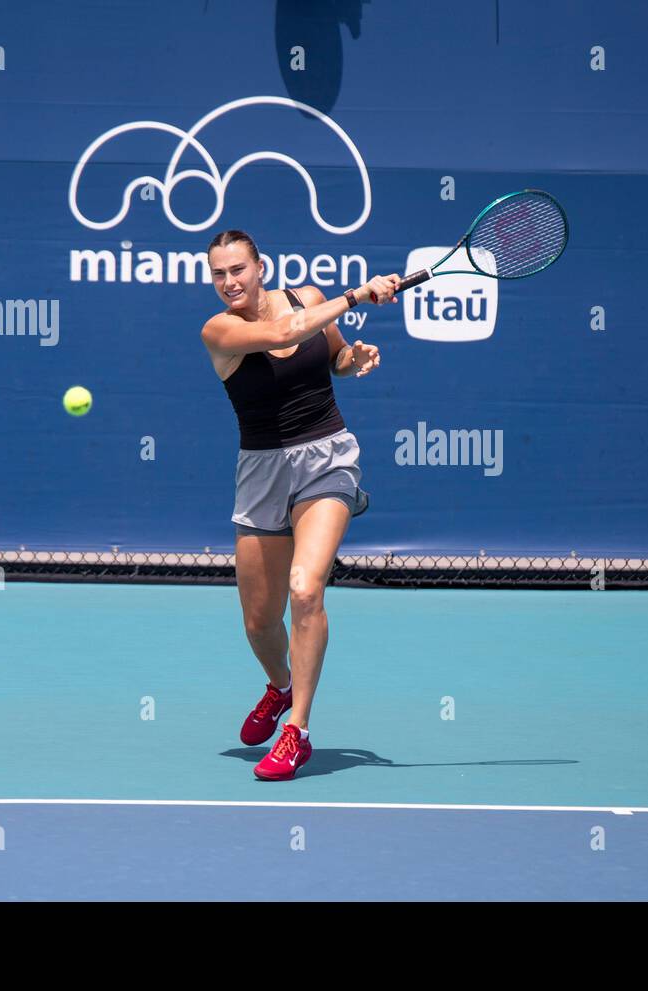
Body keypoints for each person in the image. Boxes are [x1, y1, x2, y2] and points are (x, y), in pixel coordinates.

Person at [201, 230, 400, 780]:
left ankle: (298, 731)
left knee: (306, 587)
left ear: (260, 267)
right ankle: (279, 686)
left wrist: (353, 356)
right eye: (218, 274)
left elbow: (331, 355)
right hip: (262, 471)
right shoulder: (220, 330)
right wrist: (358, 295)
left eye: (238, 269)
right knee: (260, 620)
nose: (229, 282)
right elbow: (285, 332)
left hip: (327, 458)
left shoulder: (309, 299)